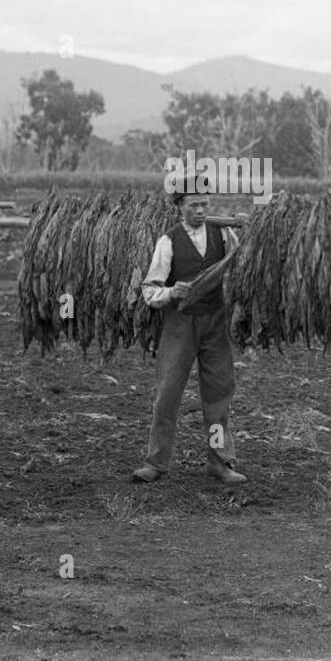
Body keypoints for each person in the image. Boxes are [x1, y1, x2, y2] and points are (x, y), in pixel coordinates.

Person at [131, 184, 246, 485]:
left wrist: (248, 225)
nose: (200, 211)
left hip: (214, 323)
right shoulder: (168, 241)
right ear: (180, 205)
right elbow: (149, 289)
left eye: (205, 205)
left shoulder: (222, 233)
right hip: (180, 324)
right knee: (167, 395)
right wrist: (171, 292)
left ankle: (220, 462)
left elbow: (242, 262)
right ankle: (155, 463)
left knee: (218, 396)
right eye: (193, 205)